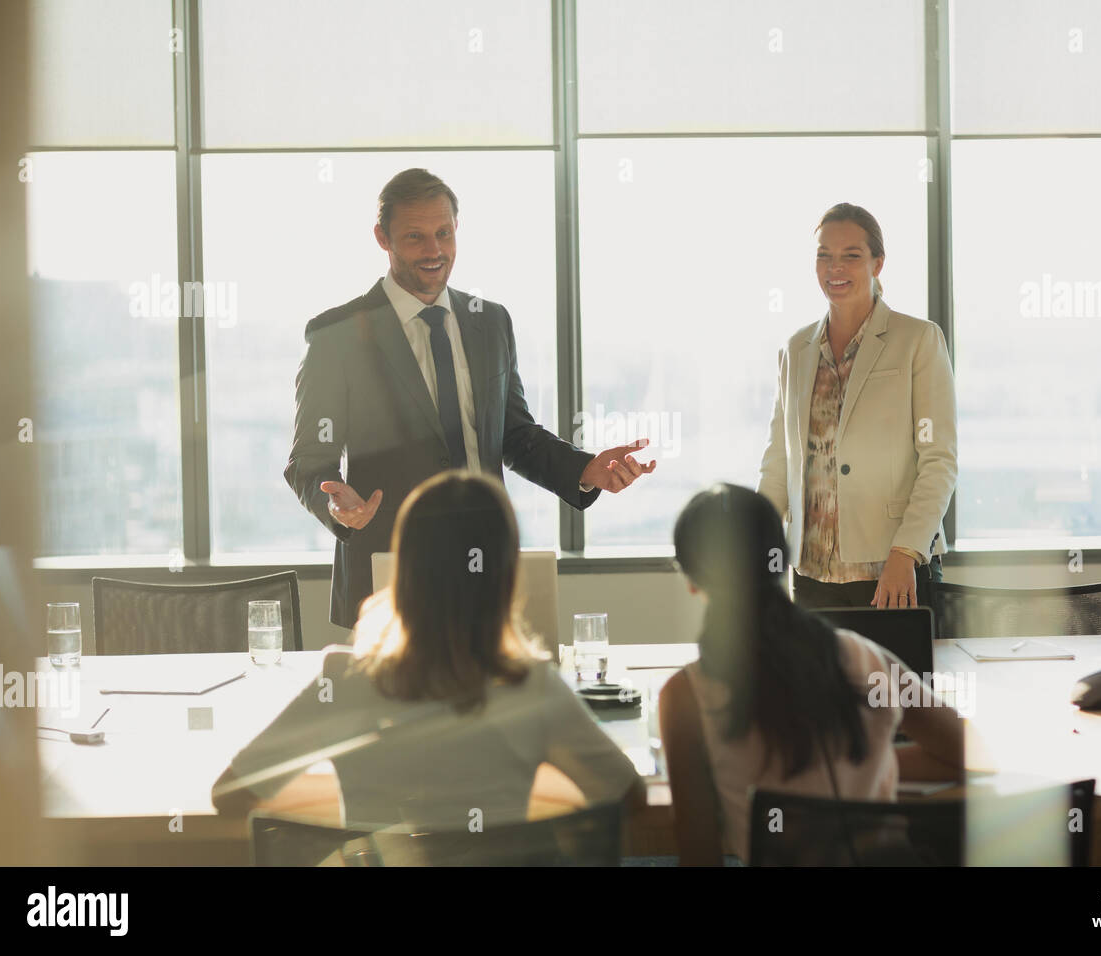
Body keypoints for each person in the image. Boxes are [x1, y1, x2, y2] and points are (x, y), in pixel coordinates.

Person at [286, 168, 656, 628]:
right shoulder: (337, 334)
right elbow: (307, 460)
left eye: (443, 233)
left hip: (485, 568)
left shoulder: (491, 322)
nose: (434, 251)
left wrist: (585, 469)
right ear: (382, 238)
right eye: (415, 237)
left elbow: (515, 435)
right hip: (388, 574)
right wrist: (335, 505)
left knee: (501, 699)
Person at [213, 472, 643, 834]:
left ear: (406, 570)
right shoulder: (534, 686)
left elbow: (230, 794)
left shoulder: (343, 680)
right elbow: (631, 797)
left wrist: (327, 813)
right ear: (505, 574)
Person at [659, 484, 964, 865]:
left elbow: (699, 857)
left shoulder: (686, 697)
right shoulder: (866, 659)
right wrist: (866, 760)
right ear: (781, 559)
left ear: (691, 580)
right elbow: (964, 751)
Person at [758, 203, 956, 610]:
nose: (836, 268)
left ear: (877, 263)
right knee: (817, 677)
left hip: (892, 570)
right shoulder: (796, 349)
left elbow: (939, 461)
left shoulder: (917, 339)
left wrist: (906, 553)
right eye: (824, 255)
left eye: (851, 255)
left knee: (897, 677)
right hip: (811, 574)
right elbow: (779, 461)